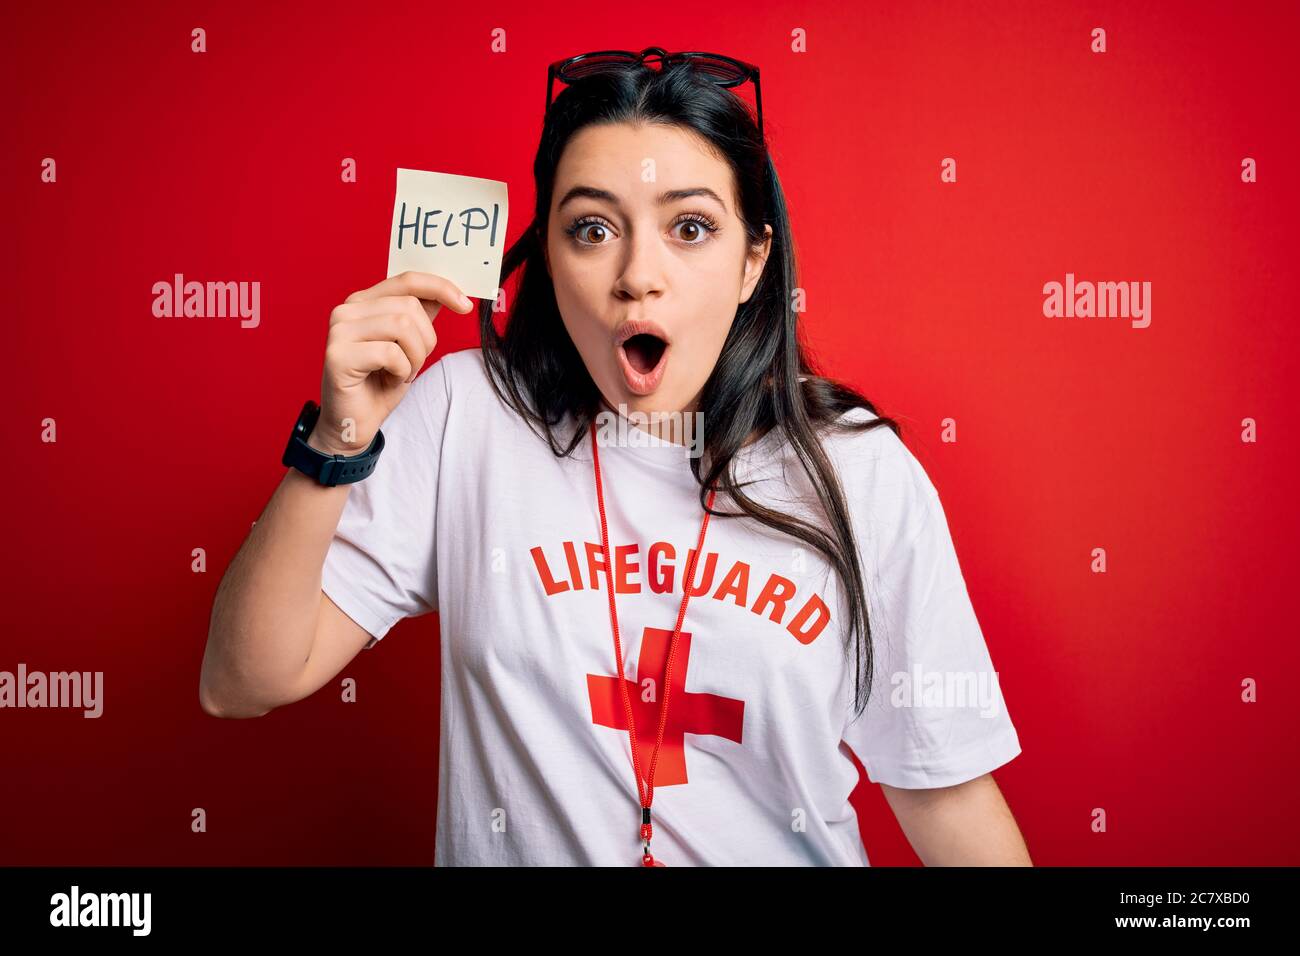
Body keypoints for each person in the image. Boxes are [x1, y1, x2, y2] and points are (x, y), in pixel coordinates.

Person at [200, 47, 1030, 867]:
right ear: (551, 260)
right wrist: (337, 439)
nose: (639, 276)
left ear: (753, 263)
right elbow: (241, 682)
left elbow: (948, 796)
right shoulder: (468, 414)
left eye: (691, 228)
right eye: (592, 229)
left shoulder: (857, 472)